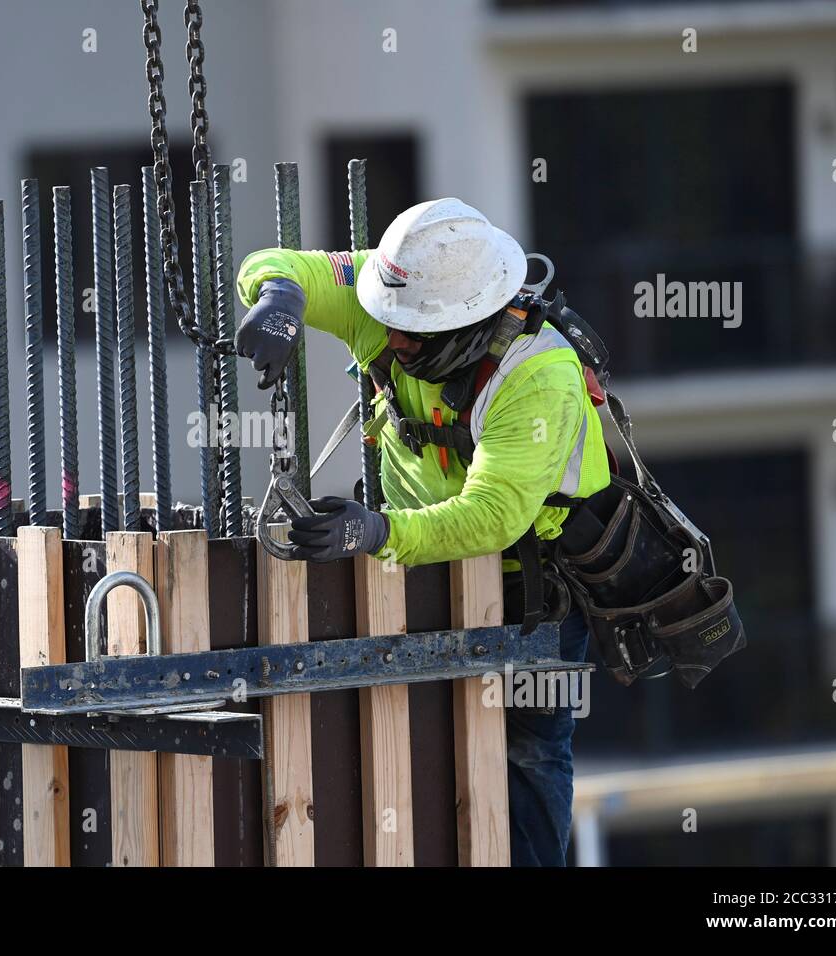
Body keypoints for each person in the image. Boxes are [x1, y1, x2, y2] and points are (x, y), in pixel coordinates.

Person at [234, 198, 610, 866]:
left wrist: (374, 531)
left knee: (528, 757)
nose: (393, 342)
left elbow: (495, 517)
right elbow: (282, 264)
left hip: (535, 592)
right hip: (414, 570)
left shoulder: (538, 374)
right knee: (409, 743)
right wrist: (281, 296)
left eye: (412, 338)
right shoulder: (395, 301)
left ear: (468, 324)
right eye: (388, 326)